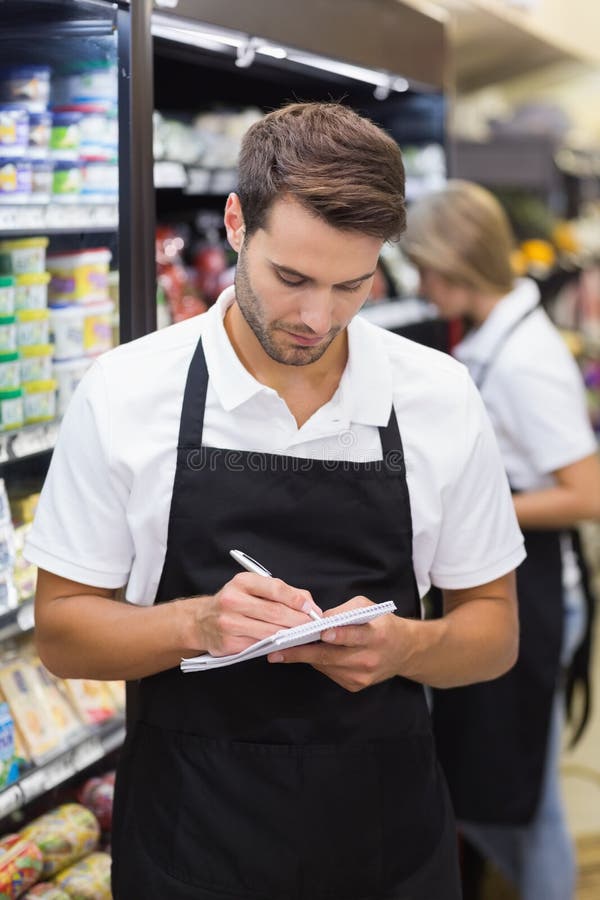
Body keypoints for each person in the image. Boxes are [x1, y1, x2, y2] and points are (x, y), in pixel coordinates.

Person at [27, 104, 525, 900]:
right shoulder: (127, 390)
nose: (316, 318)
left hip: (385, 849)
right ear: (235, 224)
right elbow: (60, 633)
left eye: (351, 284)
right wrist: (196, 624)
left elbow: (494, 630)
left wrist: (405, 650)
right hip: (190, 847)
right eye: (291, 279)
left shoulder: (438, 395)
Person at [403, 179, 600, 900]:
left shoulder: (525, 359)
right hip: (517, 583)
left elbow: (589, 493)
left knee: (525, 798)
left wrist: (473, 510)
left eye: (425, 267)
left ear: (456, 262)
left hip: (541, 593)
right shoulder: (496, 338)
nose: (421, 288)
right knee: (504, 786)